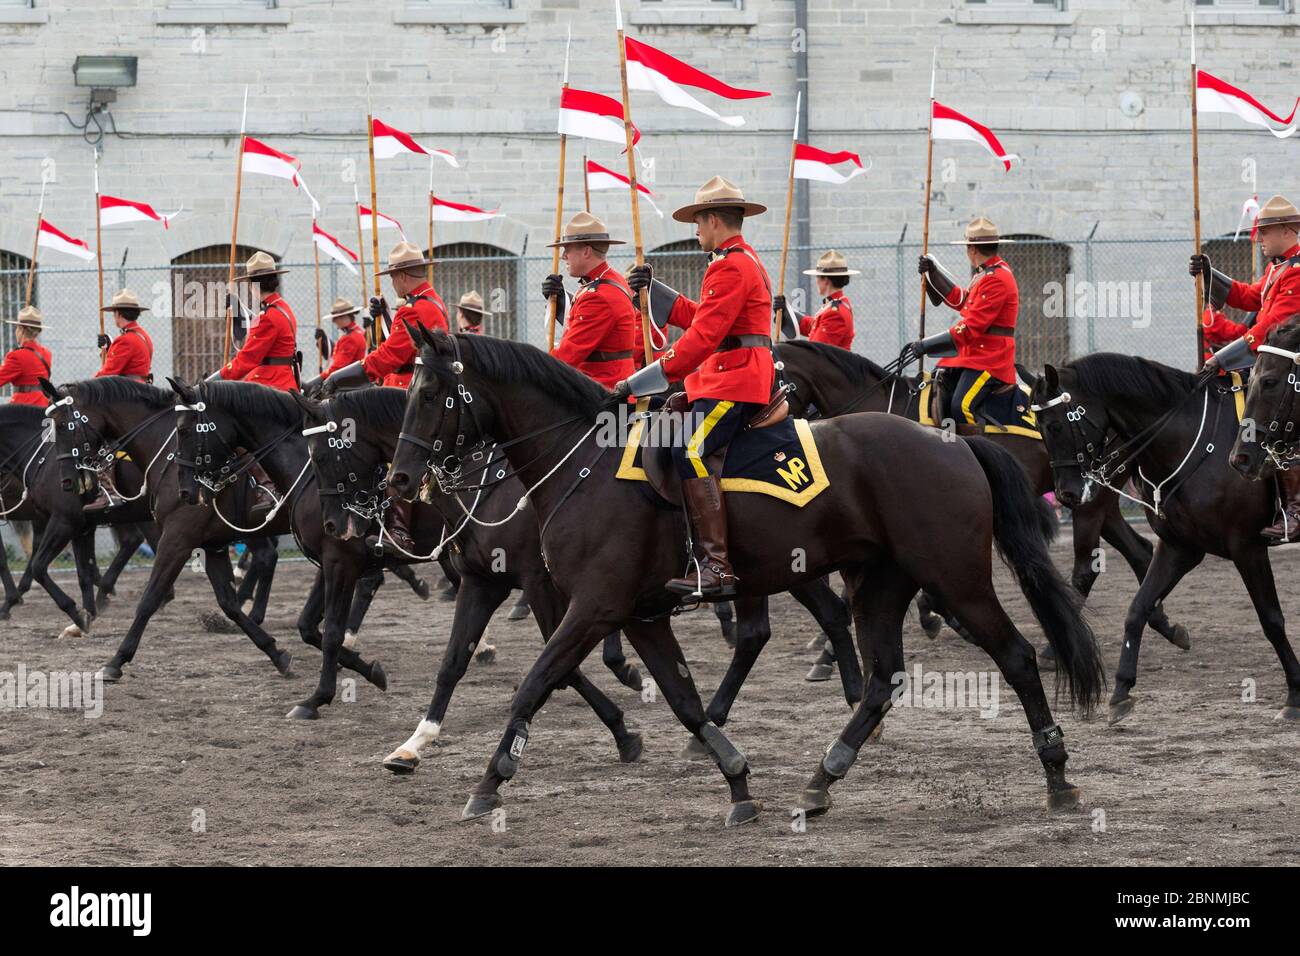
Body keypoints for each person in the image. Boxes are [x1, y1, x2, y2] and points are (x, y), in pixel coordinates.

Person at [621, 176, 774, 599]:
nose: (696, 231)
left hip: (736, 380)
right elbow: (702, 317)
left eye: (698, 223)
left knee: (692, 448)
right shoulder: (737, 260)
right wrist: (654, 293)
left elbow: (702, 339)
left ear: (711, 221)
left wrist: (641, 380)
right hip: (726, 373)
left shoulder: (730, 265)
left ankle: (717, 567)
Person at [323, 242, 449, 556]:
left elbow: (389, 357)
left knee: (394, 455)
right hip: (418, 387)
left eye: (394, 275)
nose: (392, 282)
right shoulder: (432, 302)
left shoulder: (414, 308)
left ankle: (398, 529)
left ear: (404, 276)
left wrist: (336, 378)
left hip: (411, 390)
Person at [1191, 193, 1300, 541]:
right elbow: (1250, 296)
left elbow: (1269, 330)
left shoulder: (1297, 272)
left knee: (1279, 422)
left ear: (1286, 230)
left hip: (1290, 362)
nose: (1260, 239)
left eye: (1265, 232)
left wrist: (1220, 358)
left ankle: (1294, 509)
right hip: (1274, 360)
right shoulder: (1277, 269)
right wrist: (1211, 274)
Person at [910, 216, 1019, 432]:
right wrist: (933, 273)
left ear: (972, 249)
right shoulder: (986, 274)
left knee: (962, 406)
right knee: (938, 388)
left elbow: (970, 329)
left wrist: (925, 345)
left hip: (990, 358)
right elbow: (961, 300)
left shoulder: (996, 278)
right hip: (974, 354)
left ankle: (977, 455)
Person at [544, 212, 639, 389]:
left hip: (602, 391)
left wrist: (530, 373)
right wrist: (559, 298)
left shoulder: (598, 295)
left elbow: (568, 354)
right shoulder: (608, 281)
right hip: (599, 385)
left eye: (568, 249)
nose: (564, 256)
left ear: (586, 251)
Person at [215, 251, 299, 392]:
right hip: (283, 379)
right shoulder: (282, 308)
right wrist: (237, 309)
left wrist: (215, 380)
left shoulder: (267, 317)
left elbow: (246, 359)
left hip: (270, 385)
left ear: (253, 286)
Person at [790, 249, 858, 349]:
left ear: (825, 280)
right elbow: (815, 327)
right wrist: (789, 314)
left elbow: (816, 350)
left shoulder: (835, 313)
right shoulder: (835, 305)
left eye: (817, 277)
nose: (816, 281)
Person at [95, 289, 154, 381]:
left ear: (118, 314)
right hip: (141, 389)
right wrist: (110, 348)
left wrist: (86, 388)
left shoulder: (125, 340)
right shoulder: (143, 335)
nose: (113, 316)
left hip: (129, 392)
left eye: (114, 313)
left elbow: (107, 374)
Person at [0, 306, 52, 407]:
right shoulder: (46, 353)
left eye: (17, 328)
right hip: (44, 405)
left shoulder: (16, 356)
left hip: (23, 407)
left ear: (21, 330)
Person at [320, 298, 367, 379]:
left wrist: (319, 379)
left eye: (335, 318)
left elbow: (338, 368)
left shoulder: (350, 338)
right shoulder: (357, 332)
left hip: (348, 382)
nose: (334, 321)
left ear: (344, 317)